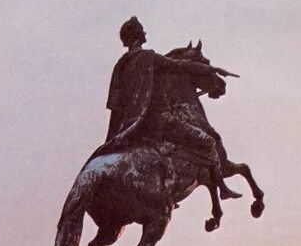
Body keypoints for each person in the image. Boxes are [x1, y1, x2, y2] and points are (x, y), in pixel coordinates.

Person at [103, 16, 241, 200]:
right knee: (208, 142)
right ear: (137, 35)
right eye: (142, 30)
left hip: (128, 129)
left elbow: (115, 104)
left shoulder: (120, 66)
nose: (145, 33)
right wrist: (210, 69)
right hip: (157, 122)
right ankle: (222, 188)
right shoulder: (148, 58)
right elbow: (179, 65)